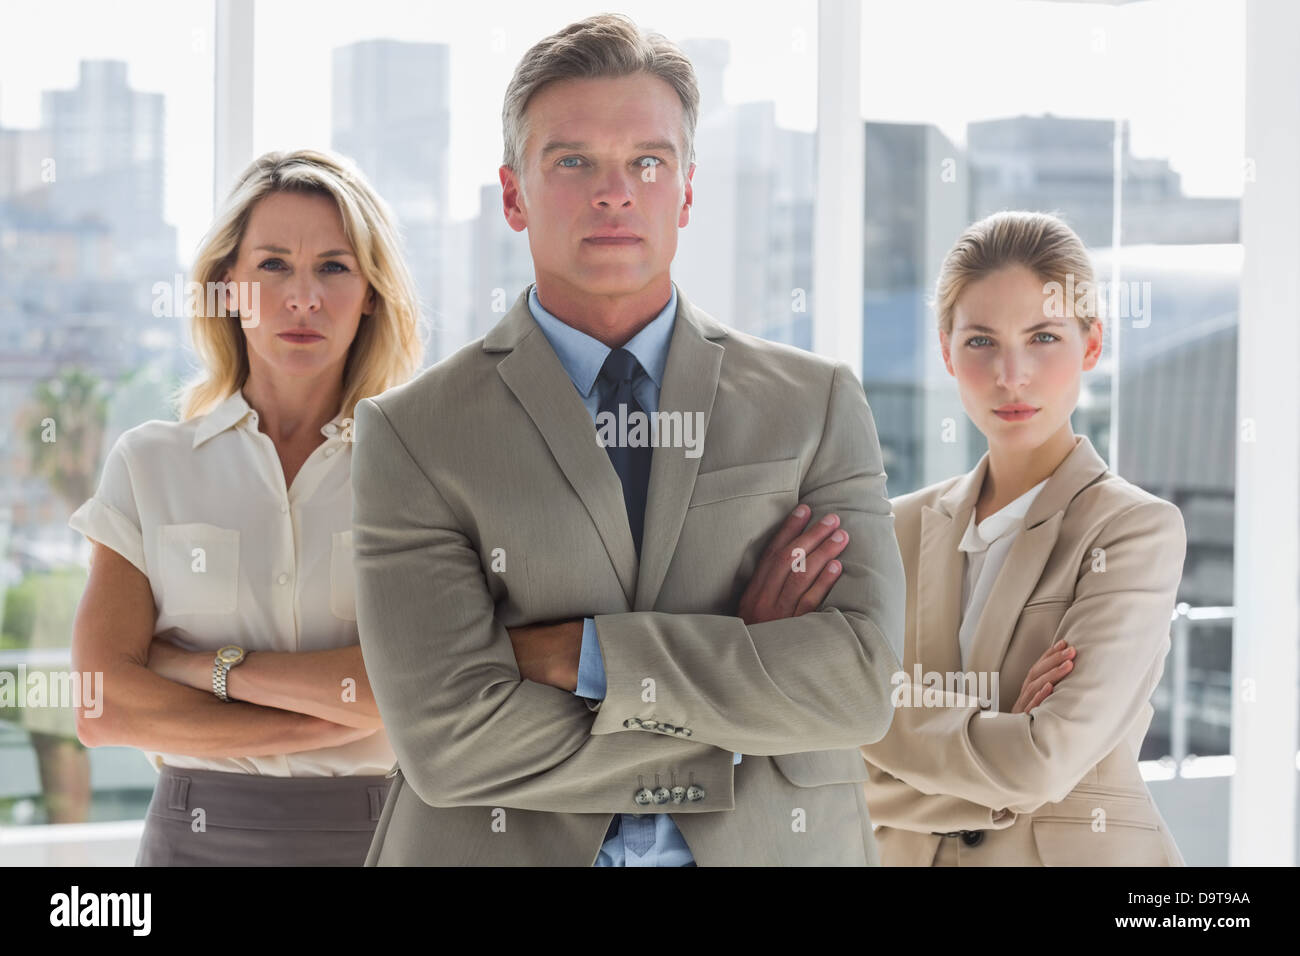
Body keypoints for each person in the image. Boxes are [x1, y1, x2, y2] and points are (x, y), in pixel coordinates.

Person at [351, 13, 905, 866]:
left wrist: (588, 656)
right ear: (512, 194)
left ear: (685, 190)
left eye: (647, 162)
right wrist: (741, 686)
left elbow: (860, 686)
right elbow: (450, 743)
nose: (615, 192)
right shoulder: (413, 433)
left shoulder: (815, 404)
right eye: (573, 161)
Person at [67, 148, 423, 865]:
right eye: (272, 265)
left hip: (378, 842)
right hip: (188, 841)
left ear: (372, 293)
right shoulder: (150, 465)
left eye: (333, 266)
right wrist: (323, 722)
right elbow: (103, 706)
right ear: (227, 285)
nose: (302, 297)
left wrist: (204, 670)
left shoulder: (423, 472)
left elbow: (418, 691)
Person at [859, 210, 1187, 866]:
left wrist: (875, 717)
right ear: (947, 350)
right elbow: (826, 764)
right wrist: (999, 723)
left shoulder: (1131, 531)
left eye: (1042, 337)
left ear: (1091, 345)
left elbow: (1042, 762)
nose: (1012, 375)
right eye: (981, 341)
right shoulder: (893, 529)